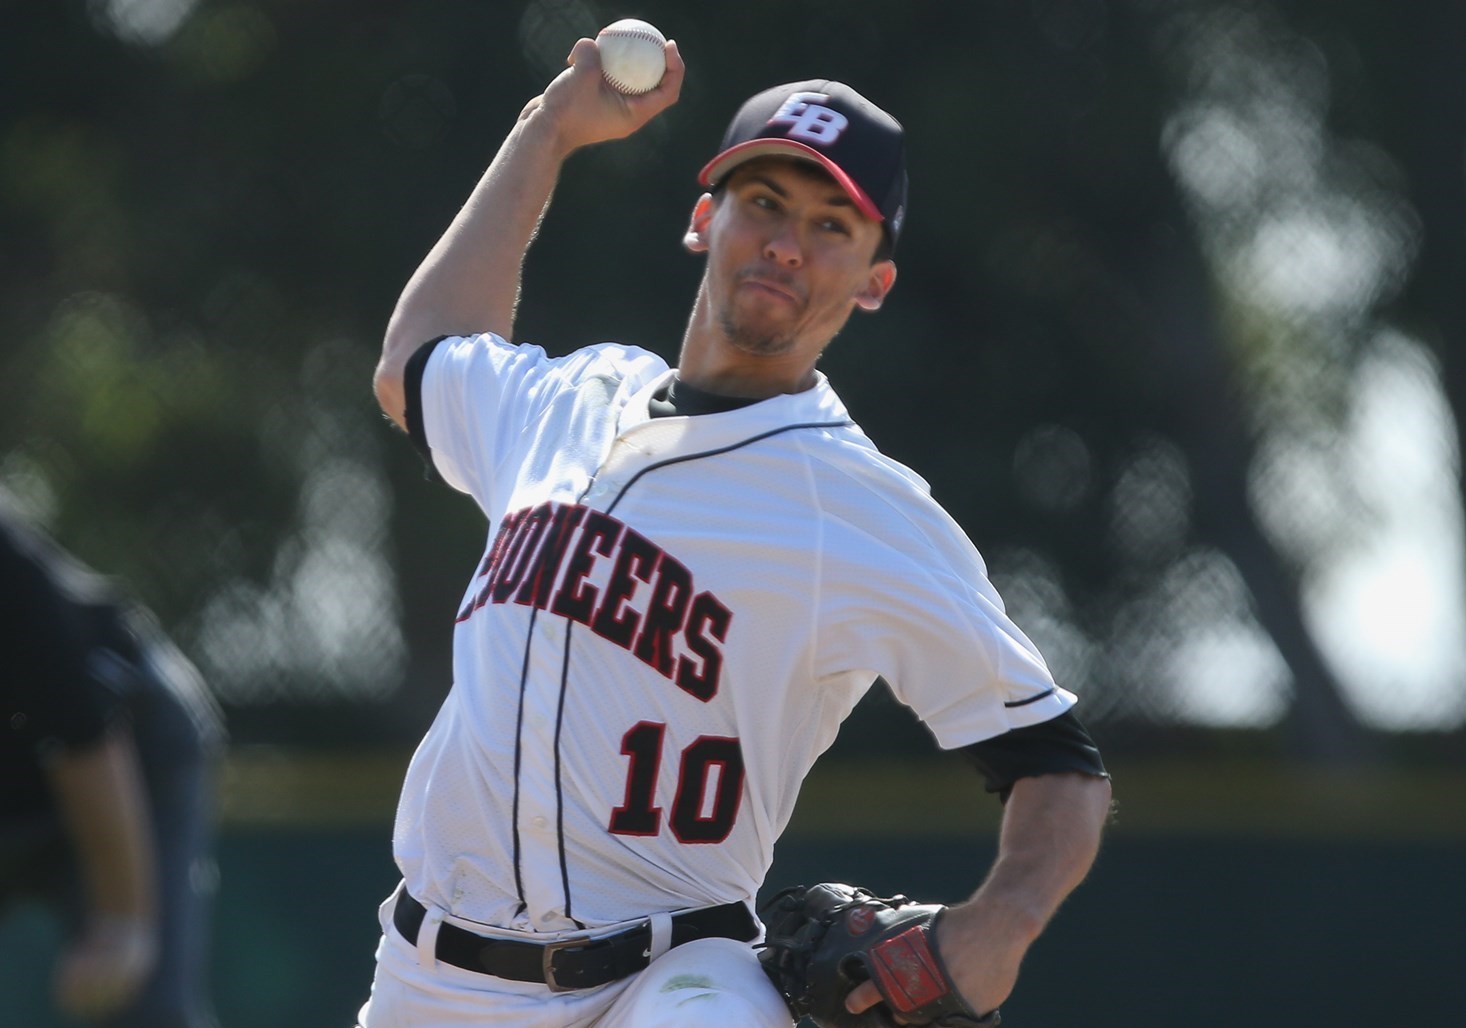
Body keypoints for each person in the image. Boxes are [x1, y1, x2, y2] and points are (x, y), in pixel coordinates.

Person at [361, 30, 1112, 1027]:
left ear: (873, 279)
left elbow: (1054, 762)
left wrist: (1000, 920)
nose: (786, 244)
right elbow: (415, 361)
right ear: (703, 219)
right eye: (763, 204)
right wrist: (544, 133)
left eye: (831, 224)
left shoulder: (853, 504)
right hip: (427, 979)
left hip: (665, 976)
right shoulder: (567, 400)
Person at [0, 509, 224, 1028]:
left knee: (145, 1010)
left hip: (133, 747)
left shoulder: (5, 565)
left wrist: (124, 923)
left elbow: (83, 736)